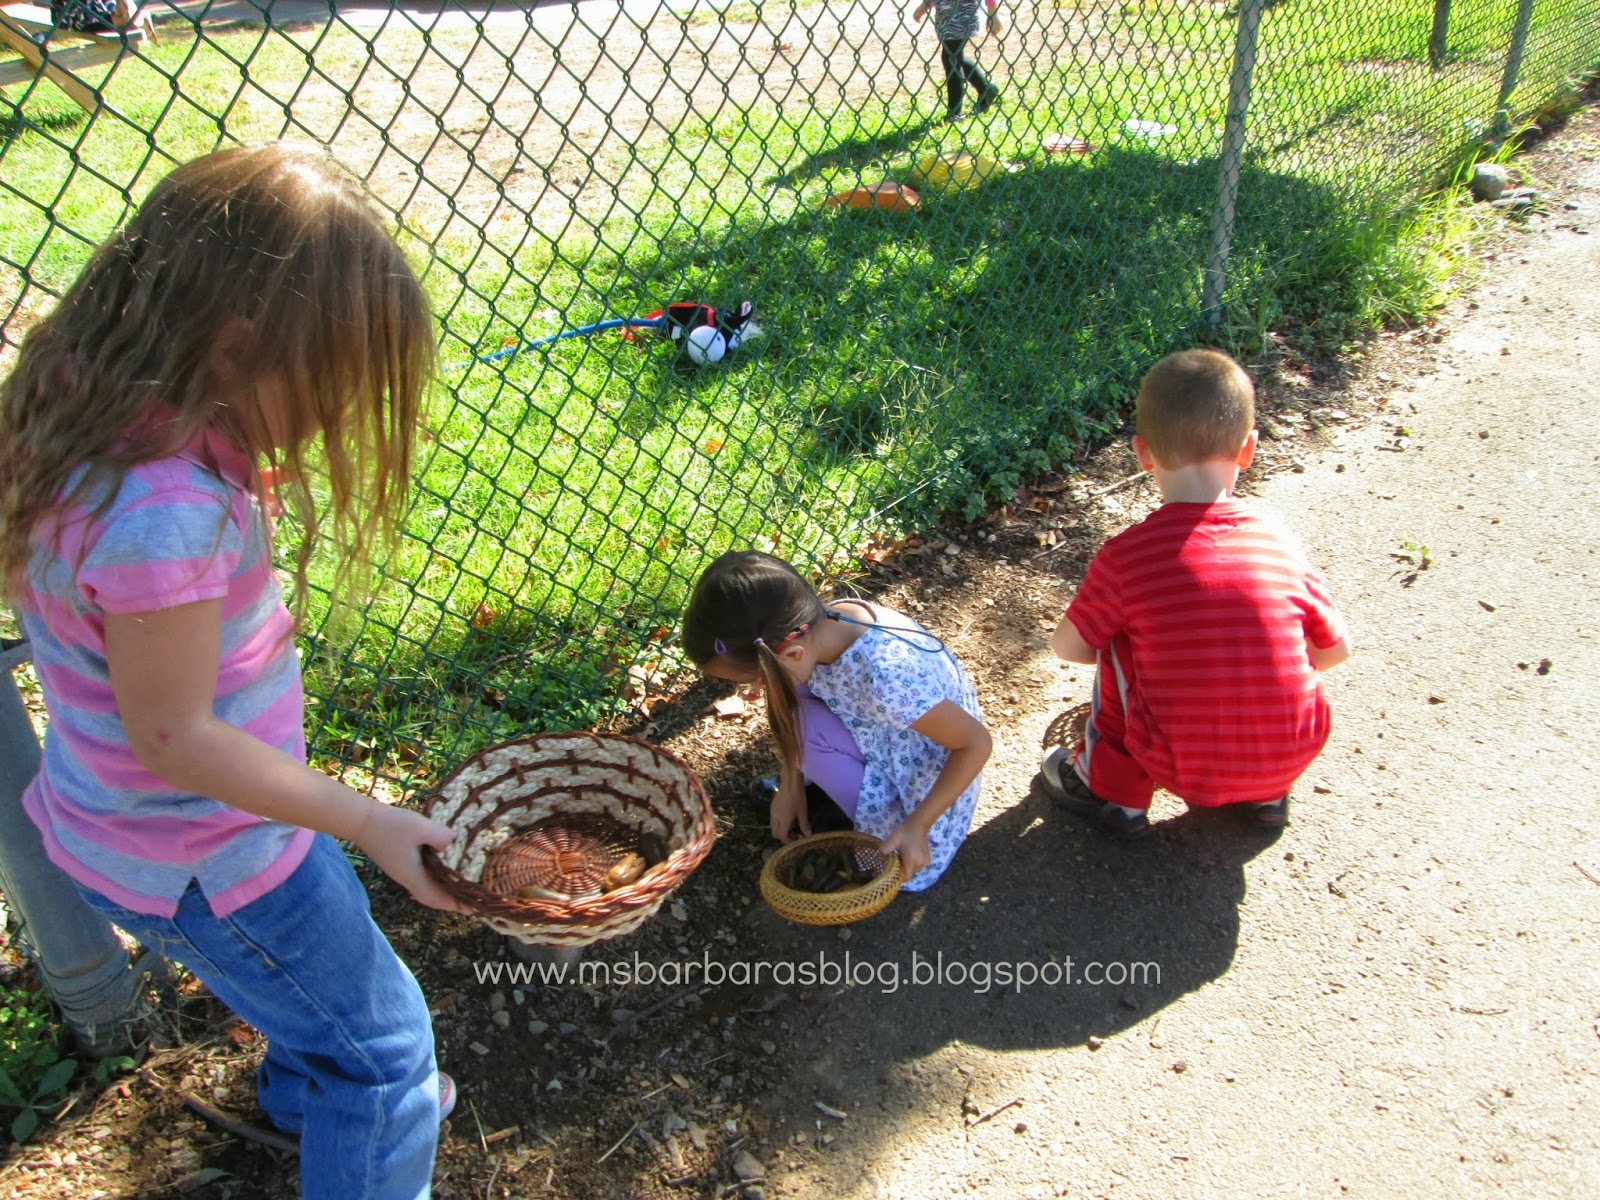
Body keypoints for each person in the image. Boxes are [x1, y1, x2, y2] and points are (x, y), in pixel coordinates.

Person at [0, 143, 469, 1199]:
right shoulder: (163, 510)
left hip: (129, 831)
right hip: (219, 855)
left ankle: (308, 1095)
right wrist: (366, 821)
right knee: (388, 1051)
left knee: (321, 1002)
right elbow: (176, 735)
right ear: (236, 349)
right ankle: (356, 1107)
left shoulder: (90, 416)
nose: (341, 414)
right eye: (332, 385)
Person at [1040, 348, 1350, 840]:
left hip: (1176, 761)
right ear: (1248, 448)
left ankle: (1112, 791)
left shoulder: (1128, 556)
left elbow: (1068, 647)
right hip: (1292, 752)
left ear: (1143, 453)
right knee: (1274, 637)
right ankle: (1266, 794)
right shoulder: (1279, 539)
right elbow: (1334, 650)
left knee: (1118, 644)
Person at [683, 551, 991, 889]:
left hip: (926, 783)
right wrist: (790, 785)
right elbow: (795, 696)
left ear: (792, 654)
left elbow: (976, 743)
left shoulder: (887, 679)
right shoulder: (823, 622)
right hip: (889, 729)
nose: (753, 691)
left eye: (753, 680)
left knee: (803, 732)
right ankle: (832, 787)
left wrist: (918, 824)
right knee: (795, 705)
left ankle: (873, 814)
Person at [911, 0, 1003, 123]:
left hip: (963, 14)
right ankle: (985, 89)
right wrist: (925, 5)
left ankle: (954, 112)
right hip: (944, 15)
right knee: (954, 58)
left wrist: (993, 14)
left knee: (951, 59)